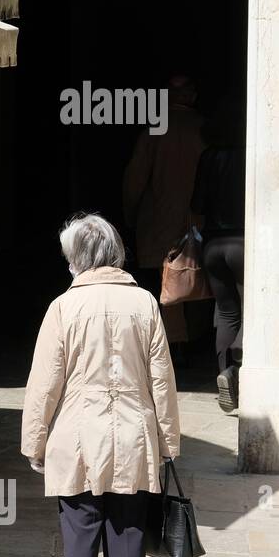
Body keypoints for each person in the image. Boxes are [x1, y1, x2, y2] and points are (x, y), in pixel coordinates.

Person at [22, 213, 180, 557]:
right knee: (128, 525)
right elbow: (161, 380)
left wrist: (34, 442)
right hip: (133, 432)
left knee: (80, 526)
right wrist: (169, 441)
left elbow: (44, 383)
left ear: (77, 258)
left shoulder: (63, 307)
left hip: (77, 435)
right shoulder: (144, 303)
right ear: (115, 254)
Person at [121, 75, 205, 354]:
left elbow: (135, 179)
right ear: (192, 96)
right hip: (203, 218)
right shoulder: (207, 129)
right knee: (203, 280)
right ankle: (201, 343)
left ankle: (176, 345)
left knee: (170, 282)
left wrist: (130, 214)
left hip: (162, 220)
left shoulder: (155, 130)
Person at [191, 105, 246, 412]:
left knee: (225, 314)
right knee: (253, 312)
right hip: (245, 242)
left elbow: (196, 204)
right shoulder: (251, 155)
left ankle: (225, 375)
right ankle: (237, 365)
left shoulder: (208, 157)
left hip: (213, 245)